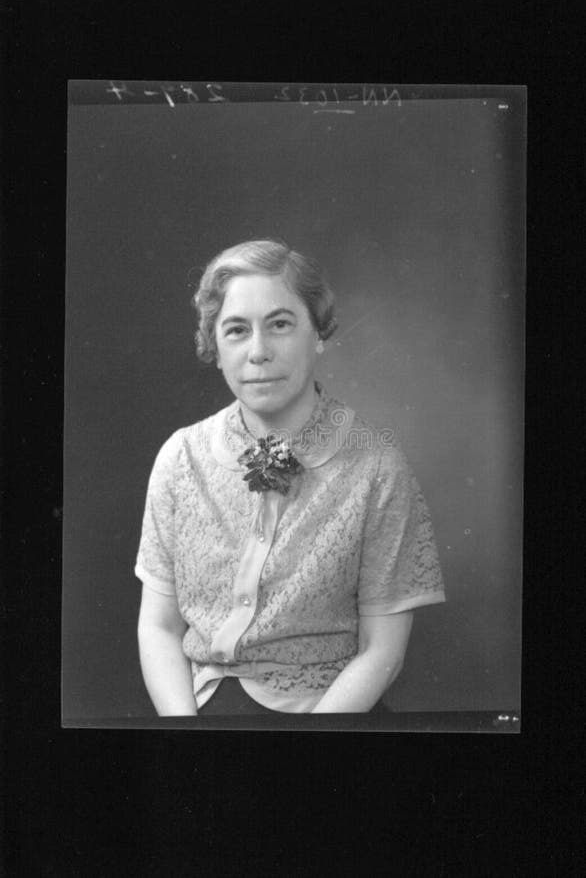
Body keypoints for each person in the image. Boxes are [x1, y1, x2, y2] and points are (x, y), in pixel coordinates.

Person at [136, 239, 445, 715]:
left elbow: (383, 649)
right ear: (214, 348)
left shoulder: (376, 464)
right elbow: (159, 628)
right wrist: (183, 734)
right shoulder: (181, 457)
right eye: (236, 330)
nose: (258, 352)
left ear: (318, 334)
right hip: (197, 715)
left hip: (329, 718)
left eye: (280, 325)